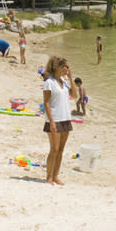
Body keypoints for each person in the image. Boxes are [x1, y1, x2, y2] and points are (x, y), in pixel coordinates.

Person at [42, 55, 77, 186]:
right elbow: (46, 103)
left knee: (61, 150)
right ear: (58, 67)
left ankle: (56, 176)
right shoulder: (49, 83)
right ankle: (49, 177)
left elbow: (74, 96)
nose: (68, 69)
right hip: (54, 119)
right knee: (54, 149)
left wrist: (71, 78)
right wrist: (51, 122)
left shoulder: (65, 82)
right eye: (65, 67)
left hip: (65, 119)